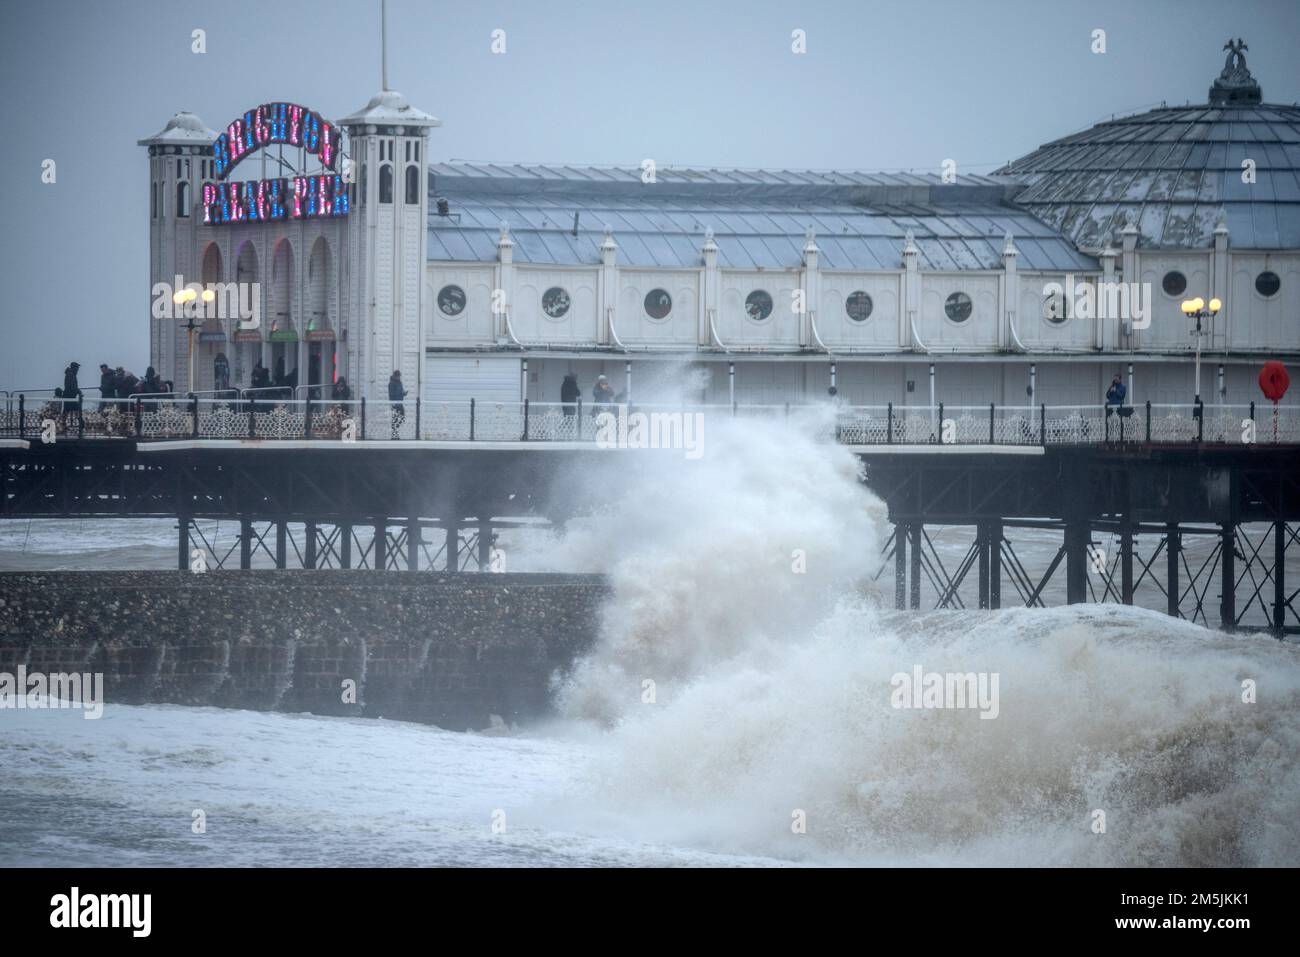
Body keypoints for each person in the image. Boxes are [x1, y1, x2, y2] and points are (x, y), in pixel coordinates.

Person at [388, 370, 407, 438]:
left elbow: (401, 391)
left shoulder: (400, 383)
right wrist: (401, 393)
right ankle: (394, 435)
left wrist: (404, 393)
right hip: (395, 404)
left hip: (400, 403)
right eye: (398, 376)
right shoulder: (391, 383)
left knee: (402, 418)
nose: (399, 377)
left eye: (399, 376)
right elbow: (392, 394)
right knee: (395, 419)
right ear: (395, 376)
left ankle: (395, 431)